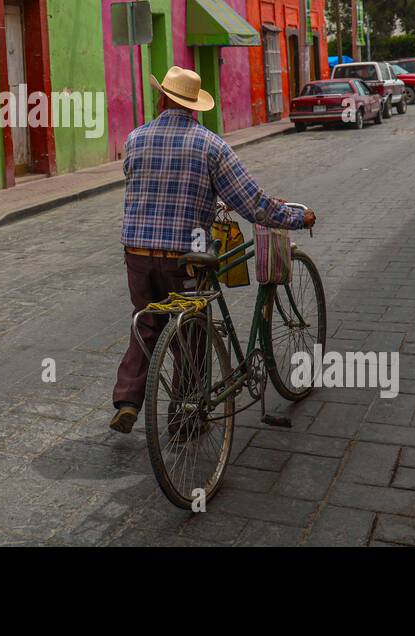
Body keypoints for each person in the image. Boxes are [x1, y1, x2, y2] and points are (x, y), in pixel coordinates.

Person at [108, 66, 316, 434]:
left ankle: (127, 400)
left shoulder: (136, 137)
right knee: (191, 333)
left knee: (147, 323)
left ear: (161, 99)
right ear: (194, 107)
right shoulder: (209, 144)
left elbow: (135, 177)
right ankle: (185, 418)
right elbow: (252, 204)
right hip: (184, 258)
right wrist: (295, 217)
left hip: (137, 253)